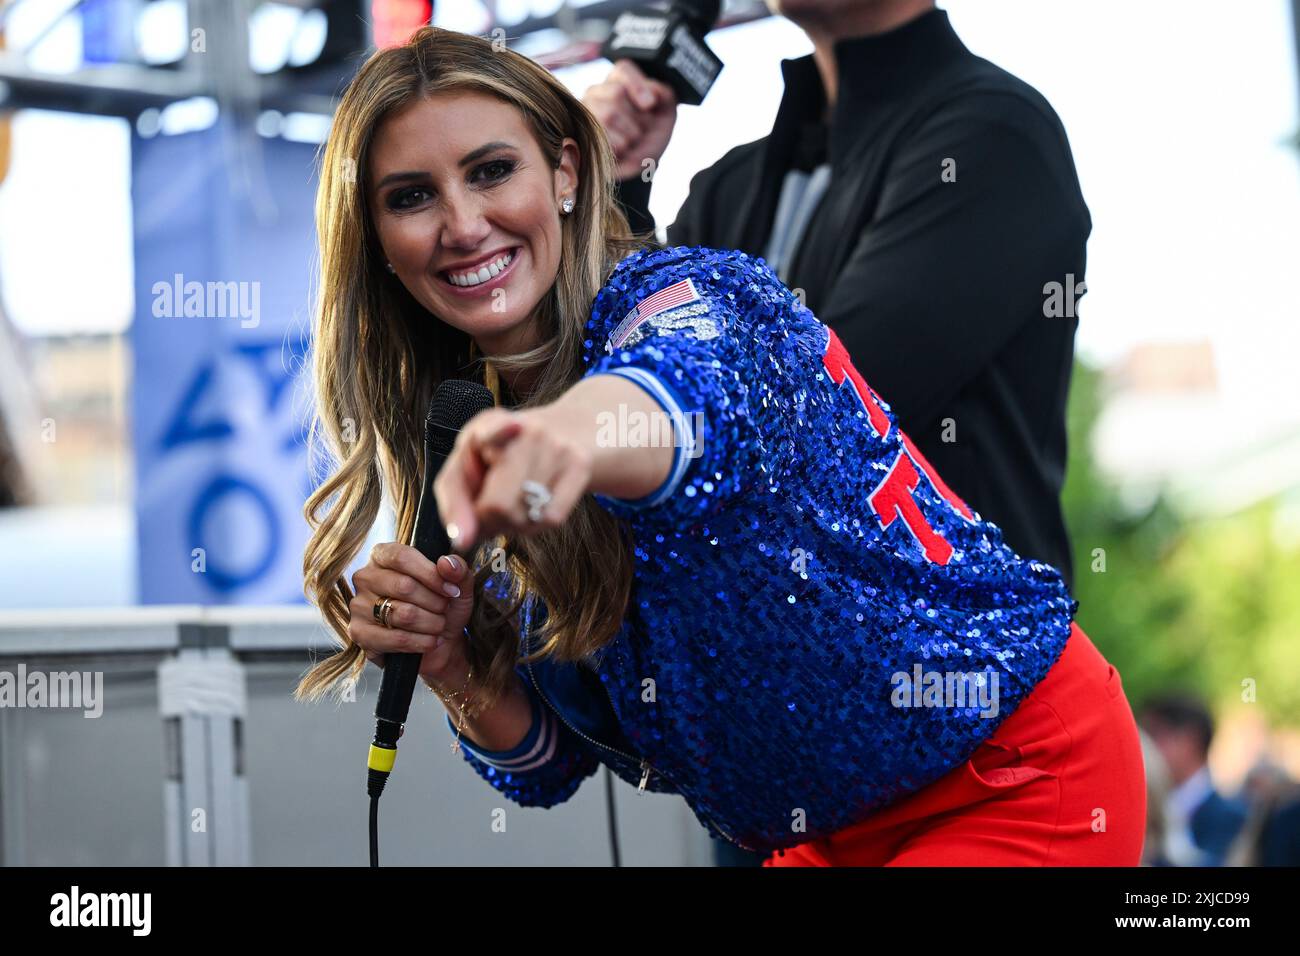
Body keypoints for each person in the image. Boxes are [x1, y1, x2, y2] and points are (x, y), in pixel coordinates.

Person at [296, 26, 1145, 865]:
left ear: (564, 172)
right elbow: (551, 763)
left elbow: (687, 396)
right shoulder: (463, 428)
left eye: (492, 171)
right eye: (411, 196)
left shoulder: (685, 294)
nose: (463, 222)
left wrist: (564, 437)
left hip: (1011, 778)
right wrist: (451, 663)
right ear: (375, 240)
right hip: (822, 835)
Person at [585, 0, 1090, 595]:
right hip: (754, 668)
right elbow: (617, 366)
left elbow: (829, 410)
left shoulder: (995, 135)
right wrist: (610, 188)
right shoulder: (732, 183)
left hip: (966, 665)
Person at [1138, 693, 1247, 866]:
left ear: (1190, 740)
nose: (1145, 746)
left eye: (1155, 735)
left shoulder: (1232, 816)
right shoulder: (1143, 804)